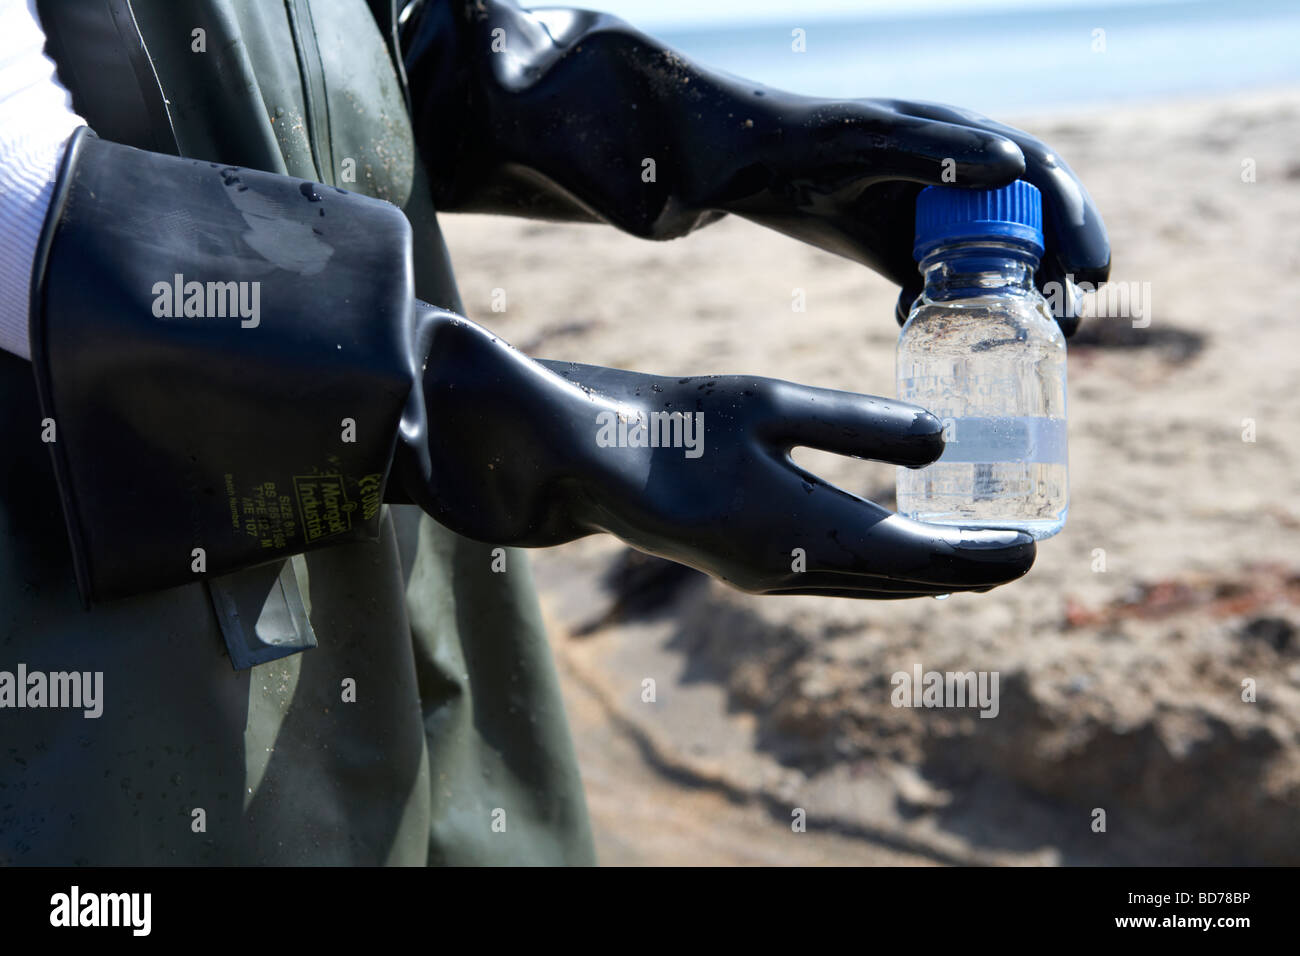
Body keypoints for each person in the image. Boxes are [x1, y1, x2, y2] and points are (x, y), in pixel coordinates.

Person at [0, 0, 1109, 865]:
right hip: (108, 563)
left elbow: (376, 41)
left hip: (390, 514)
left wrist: (736, 140)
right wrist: (488, 415)